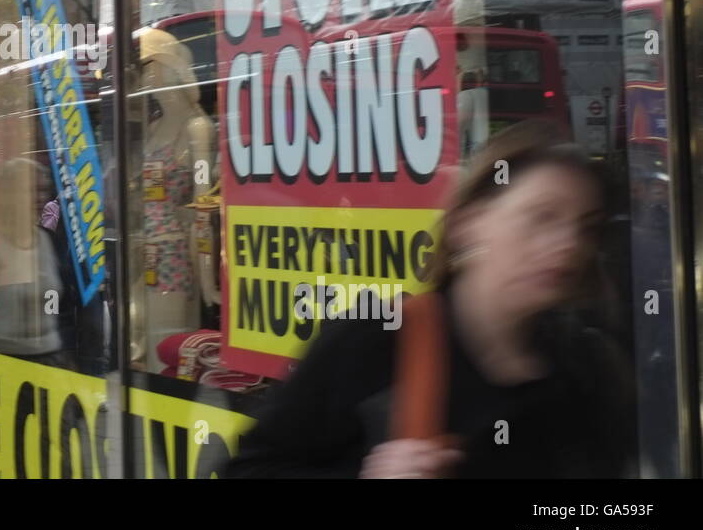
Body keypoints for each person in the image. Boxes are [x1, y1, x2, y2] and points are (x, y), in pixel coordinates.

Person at [224, 120, 635, 479]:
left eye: (586, 227)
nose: (568, 244)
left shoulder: (586, 365)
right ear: (469, 224)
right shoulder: (375, 338)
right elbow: (247, 470)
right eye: (542, 217)